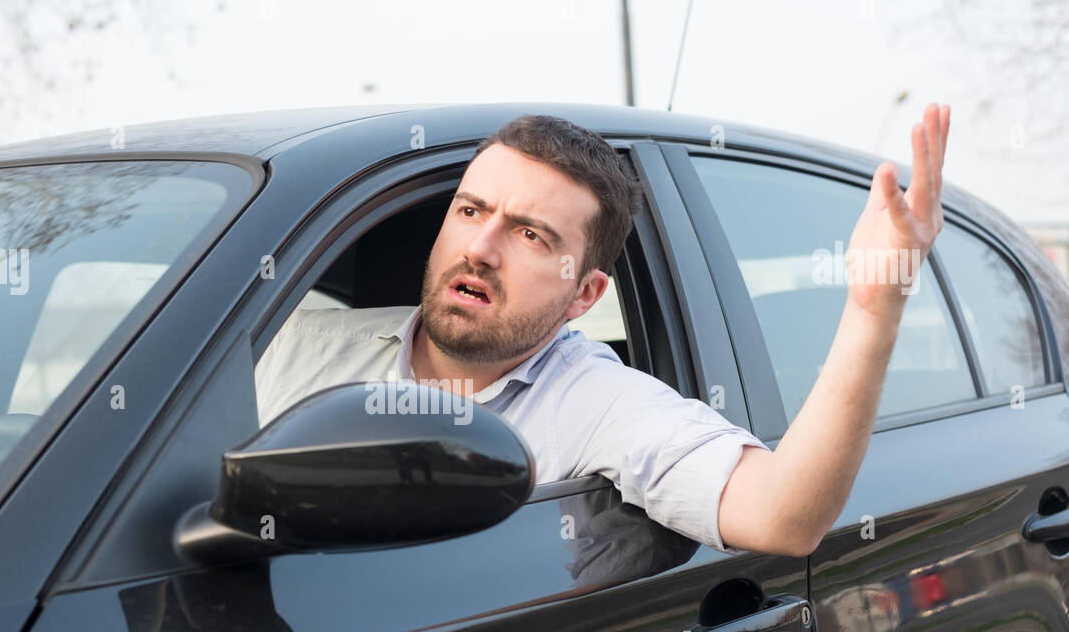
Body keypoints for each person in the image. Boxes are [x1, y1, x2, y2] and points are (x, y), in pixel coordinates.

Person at [256, 106, 951, 558]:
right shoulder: (289, 350)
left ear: (583, 295)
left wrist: (871, 309)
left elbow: (782, 517)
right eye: (471, 212)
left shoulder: (598, 404)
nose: (482, 248)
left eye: (530, 234)